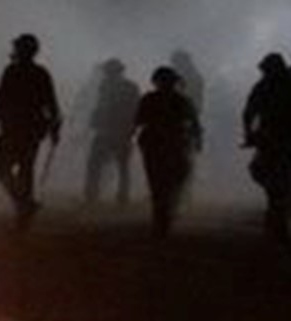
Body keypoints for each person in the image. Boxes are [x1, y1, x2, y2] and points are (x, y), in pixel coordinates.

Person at [0, 33, 62, 231]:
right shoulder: (16, 71)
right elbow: (0, 98)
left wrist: (54, 127)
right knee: (7, 170)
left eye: (19, 48)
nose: (17, 51)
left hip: (26, 129)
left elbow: (50, 102)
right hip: (18, 128)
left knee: (21, 171)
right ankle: (24, 204)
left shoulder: (34, 73)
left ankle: (23, 212)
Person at [241, 52, 291, 243]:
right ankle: (279, 210)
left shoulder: (268, 86)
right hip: (284, 140)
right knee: (277, 176)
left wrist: (249, 134)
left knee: (268, 174)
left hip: (276, 139)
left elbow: (249, 112)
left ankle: (277, 213)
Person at [134, 65, 203, 237]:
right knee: (169, 181)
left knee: (160, 183)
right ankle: (164, 216)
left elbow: (138, 121)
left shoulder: (151, 99)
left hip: (160, 144)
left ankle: (162, 216)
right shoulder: (181, 100)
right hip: (168, 144)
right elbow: (194, 124)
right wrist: (197, 140)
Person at [84, 59, 141, 206]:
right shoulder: (109, 86)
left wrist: (130, 129)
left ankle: (111, 196)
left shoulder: (127, 87)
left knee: (116, 166)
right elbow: (101, 107)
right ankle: (96, 195)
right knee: (103, 164)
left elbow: (135, 110)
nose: (106, 74)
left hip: (117, 130)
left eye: (109, 71)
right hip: (110, 130)